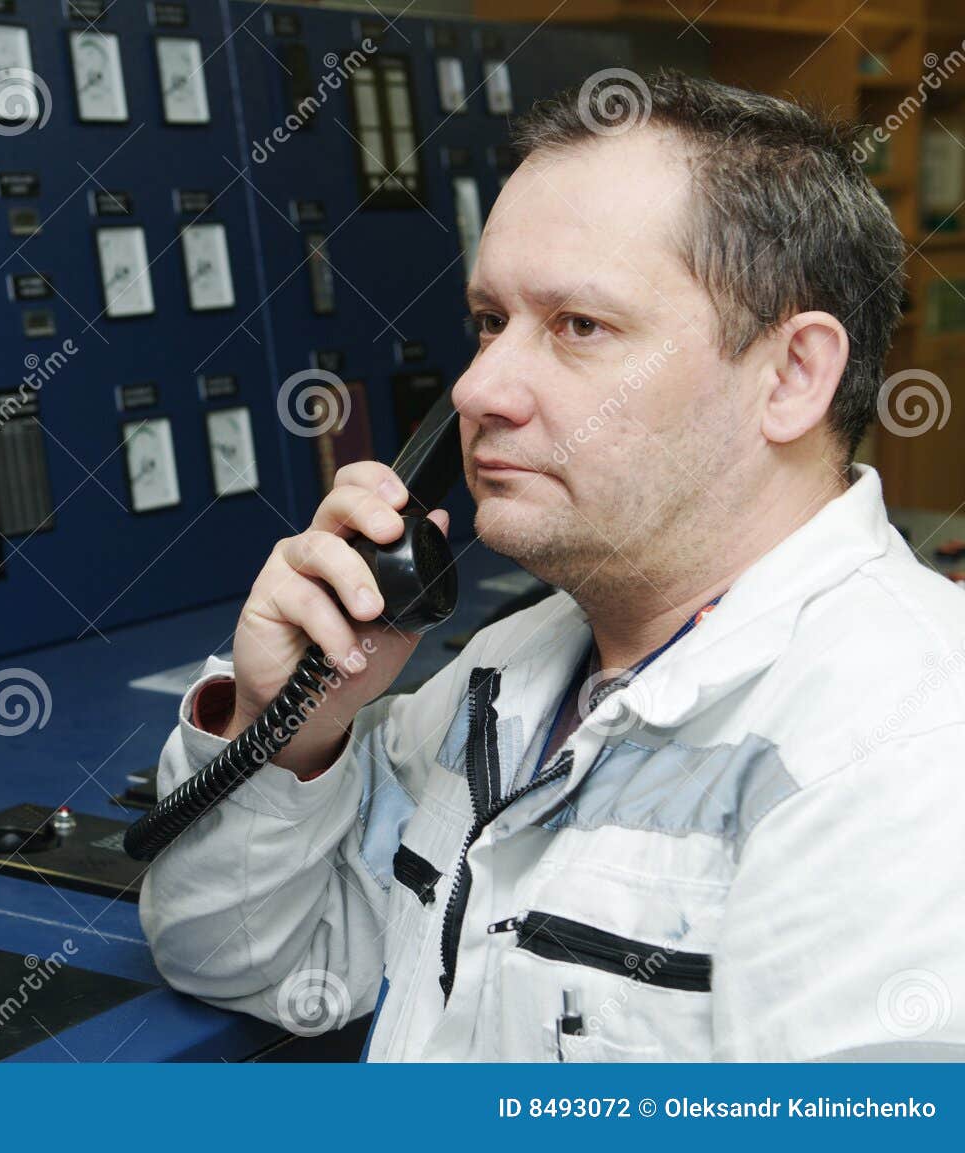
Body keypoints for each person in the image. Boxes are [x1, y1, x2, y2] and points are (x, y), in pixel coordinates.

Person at [138, 70, 965, 1061]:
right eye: (490, 321)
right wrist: (291, 735)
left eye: (579, 326)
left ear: (789, 376)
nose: (479, 386)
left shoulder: (905, 754)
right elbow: (241, 960)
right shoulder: (506, 671)